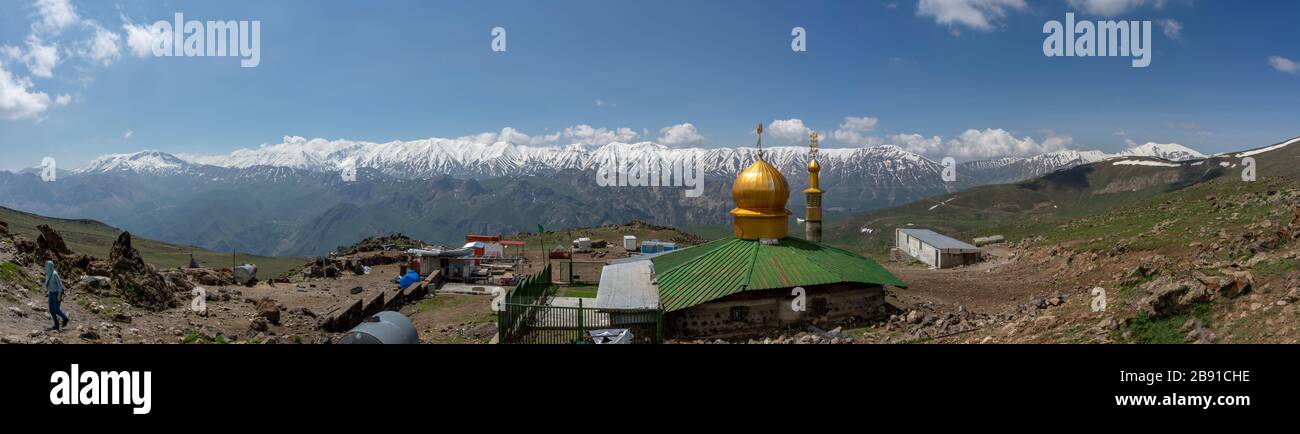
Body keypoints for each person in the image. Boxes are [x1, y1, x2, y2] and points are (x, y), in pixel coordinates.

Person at [44, 261, 69, 331]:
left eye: (48, 266)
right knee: (51, 310)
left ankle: (65, 318)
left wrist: (59, 295)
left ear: (51, 267)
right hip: (51, 293)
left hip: (56, 294)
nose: (47, 267)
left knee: (56, 310)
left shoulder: (55, 274)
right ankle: (56, 324)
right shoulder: (48, 274)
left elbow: (60, 285)